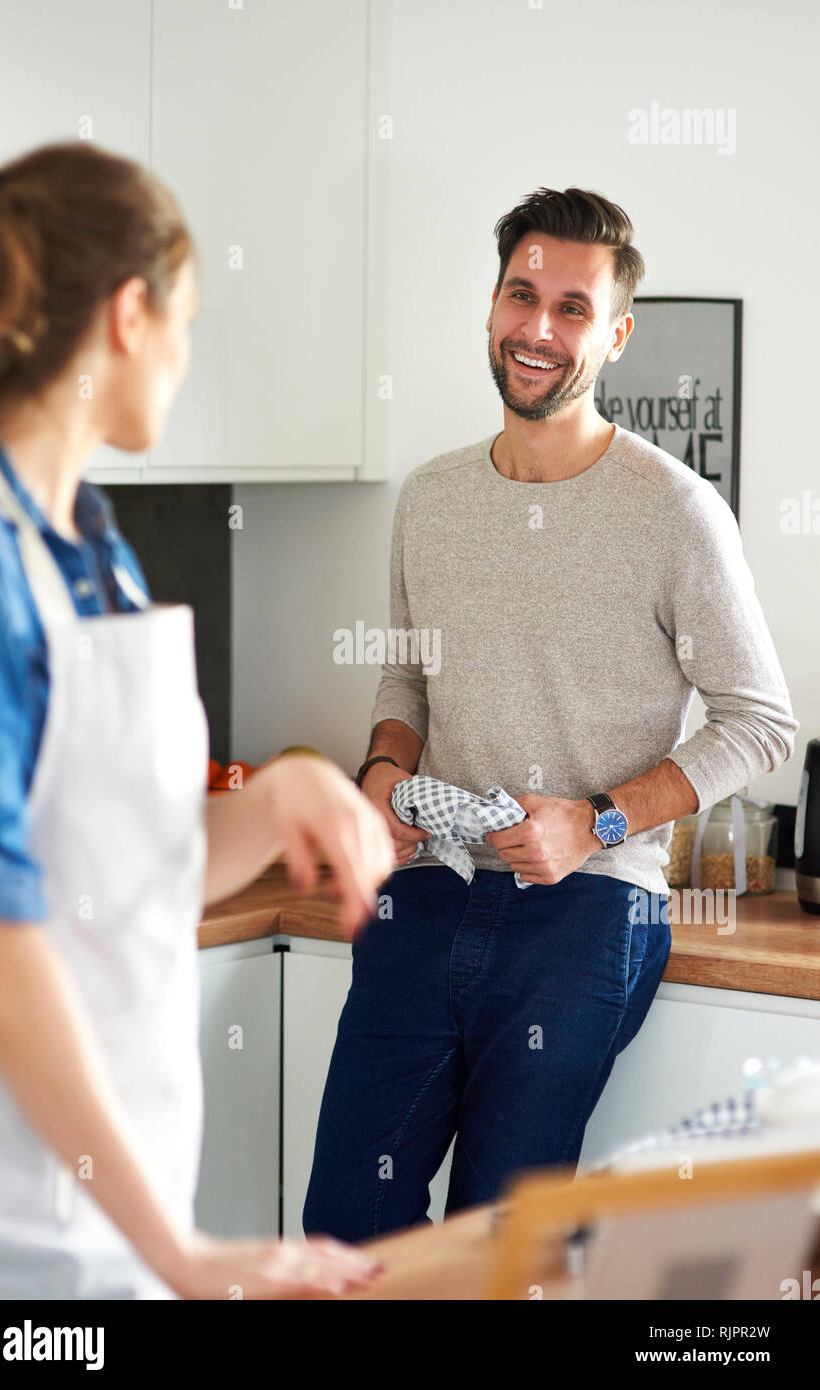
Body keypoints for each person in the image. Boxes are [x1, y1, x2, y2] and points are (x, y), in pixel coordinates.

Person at [303, 186, 799, 1241]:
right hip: (424, 893)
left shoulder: (673, 512)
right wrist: (382, 774)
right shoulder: (431, 498)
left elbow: (761, 722)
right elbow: (406, 686)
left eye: (572, 308)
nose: (538, 328)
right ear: (490, 307)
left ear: (614, 335)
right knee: (349, 1228)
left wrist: (597, 821)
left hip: (585, 912)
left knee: (502, 1245)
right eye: (521, 295)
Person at [0, 142, 394, 1299]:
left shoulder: (95, 543)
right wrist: (185, 1255)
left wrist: (273, 804)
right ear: (130, 314)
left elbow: (120, 871)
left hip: (115, 1213)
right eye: (189, 322)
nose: (190, 358)